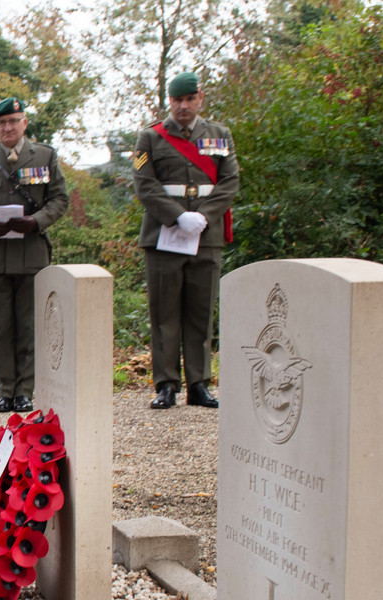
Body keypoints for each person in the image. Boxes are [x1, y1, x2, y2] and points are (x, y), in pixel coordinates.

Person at [132, 71, 238, 410]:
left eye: (189, 99)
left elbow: (229, 181)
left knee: (200, 311)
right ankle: (166, 384)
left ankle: (199, 384)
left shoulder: (220, 135)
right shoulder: (150, 138)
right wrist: (177, 216)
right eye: (177, 100)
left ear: (200, 98)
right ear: (169, 101)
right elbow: (144, 184)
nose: (183, 106)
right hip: (165, 233)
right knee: (164, 312)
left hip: (206, 235)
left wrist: (204, 215)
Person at [0, 97, 68, 414]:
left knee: (29, 327)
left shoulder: (45, 156)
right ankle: (5, 392)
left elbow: (59, 199)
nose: (7, 128)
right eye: (1, 123)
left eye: (13, 121)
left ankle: (26, 392)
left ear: (24, 123)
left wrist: (37, 221)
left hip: (31, 255)